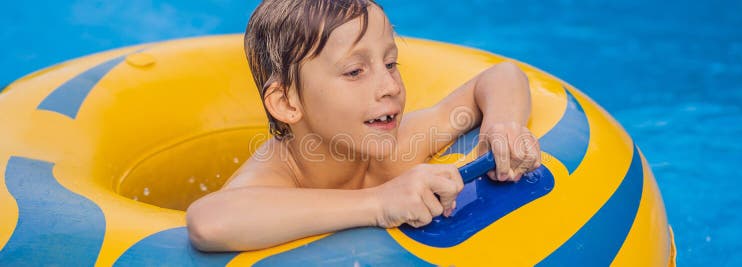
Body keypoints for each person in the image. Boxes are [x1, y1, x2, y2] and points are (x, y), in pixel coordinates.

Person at [186, 0, 541, 252]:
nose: (391, 87)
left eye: (390, 63)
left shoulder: (401, 144)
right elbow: (209, 221)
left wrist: (502, 125)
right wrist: (378, 203)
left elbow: (501, 76)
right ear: (287, 103)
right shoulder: (274, 178)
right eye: (355, 71)